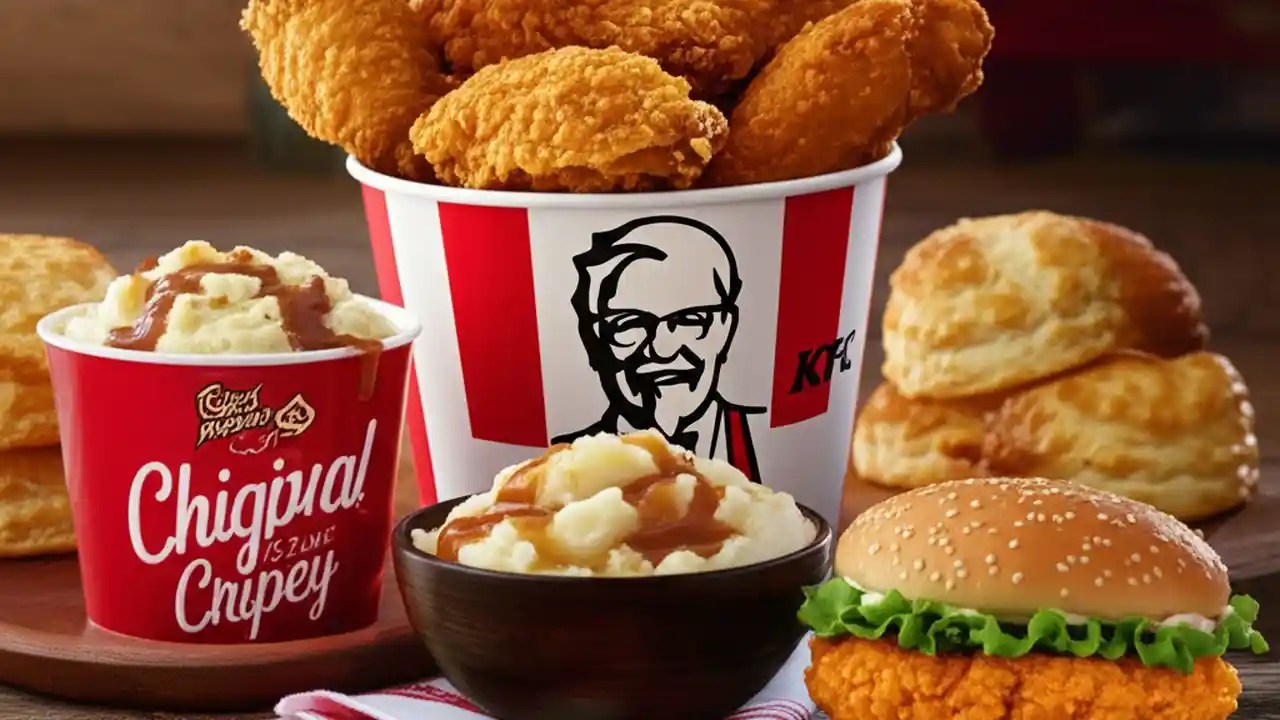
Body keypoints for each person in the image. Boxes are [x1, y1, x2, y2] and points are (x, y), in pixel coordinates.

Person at [553, 216, 764, 482]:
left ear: (726, 329)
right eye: (629, 324)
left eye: (690, 320)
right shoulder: (555, 465)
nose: (663, 350)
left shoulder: (773, 439)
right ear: (592, 340)